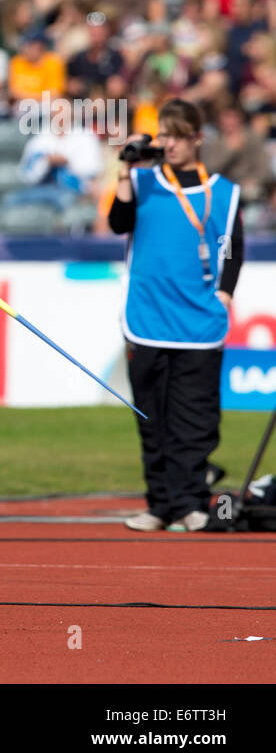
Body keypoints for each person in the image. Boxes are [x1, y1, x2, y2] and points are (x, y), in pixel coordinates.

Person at [109, 99, 243, 533]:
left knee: (195, 419)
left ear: (197, 139)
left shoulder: (221, 190)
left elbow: (233, 245)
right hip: (147, 318)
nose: (169, 144)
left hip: (199, 322)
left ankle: (191, 502)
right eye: (164, 135)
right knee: (152, 418)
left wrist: (224, 293)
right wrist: (123, 173)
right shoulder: (145, 182)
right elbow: (117, 222)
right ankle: (161, 503)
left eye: (178, 136)